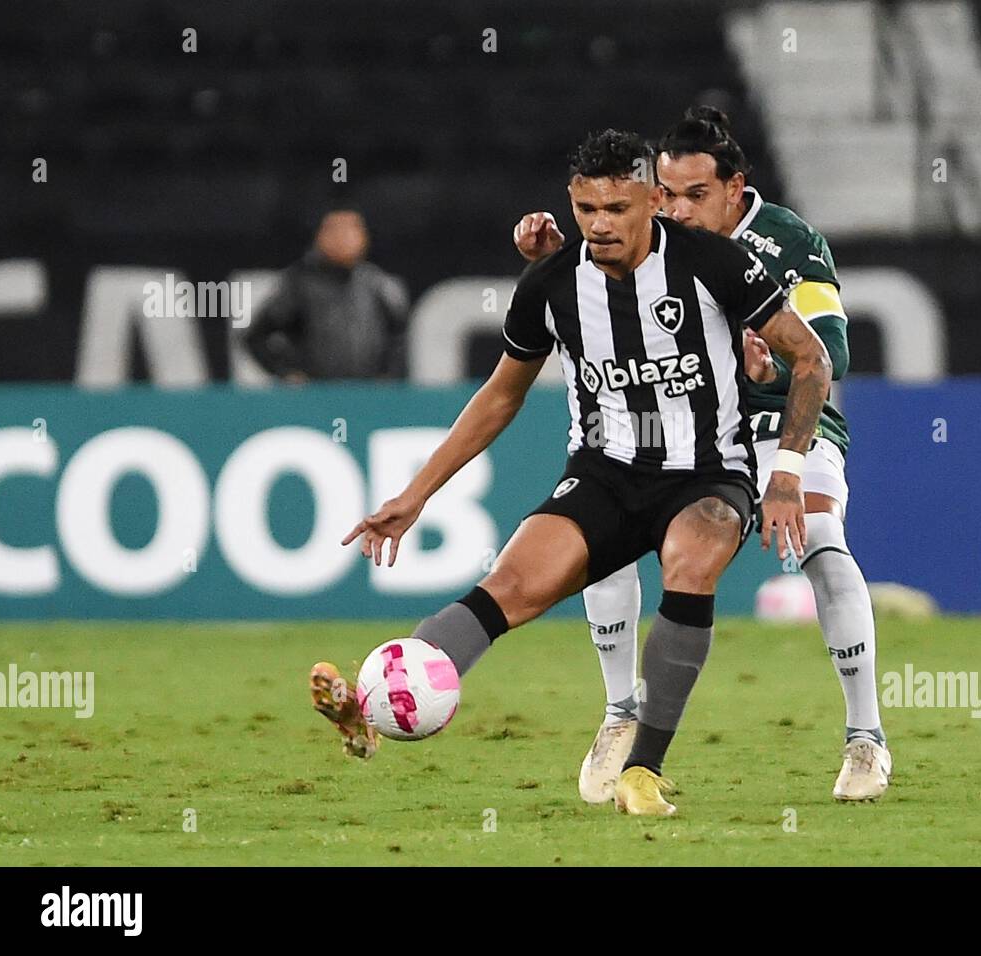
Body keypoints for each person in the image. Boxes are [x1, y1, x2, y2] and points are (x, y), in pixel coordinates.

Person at [314, 129, 832, 816]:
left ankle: (641, 770)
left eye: (617, 208)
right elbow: (501, 394)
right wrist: (415, 495)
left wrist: (787, 476)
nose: (601, 225)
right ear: (571, 202)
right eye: (587, 209)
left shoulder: (714, 263)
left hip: (707, 472)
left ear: (652, 200)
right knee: (509, 588)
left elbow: (813, 358)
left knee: (691, 557)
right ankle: (373, 709)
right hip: (606, 476)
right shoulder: (553, 284)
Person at [513, 106, 890, 803]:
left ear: (735, 188)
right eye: (666, 192)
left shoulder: (788, 242)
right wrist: (547, 258)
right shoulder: (651, 238)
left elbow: (827, 356)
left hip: (778, 421)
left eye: (694, 195)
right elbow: (592, 298)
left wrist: (769, 373)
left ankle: (866, 738)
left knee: (824, 539)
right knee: (605, 537)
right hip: (677, 426)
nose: (676, 209)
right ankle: (620, 716)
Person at [243, 205, 409, 381]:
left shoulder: (376, 283)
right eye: (335, 229)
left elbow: (399, 337)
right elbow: (256, 337)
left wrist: (388, 376)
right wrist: (286, 373)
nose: (344, 237)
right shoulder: (300, 282)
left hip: (366, 397)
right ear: (319, 236)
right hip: (317, 397)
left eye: (353, 228)